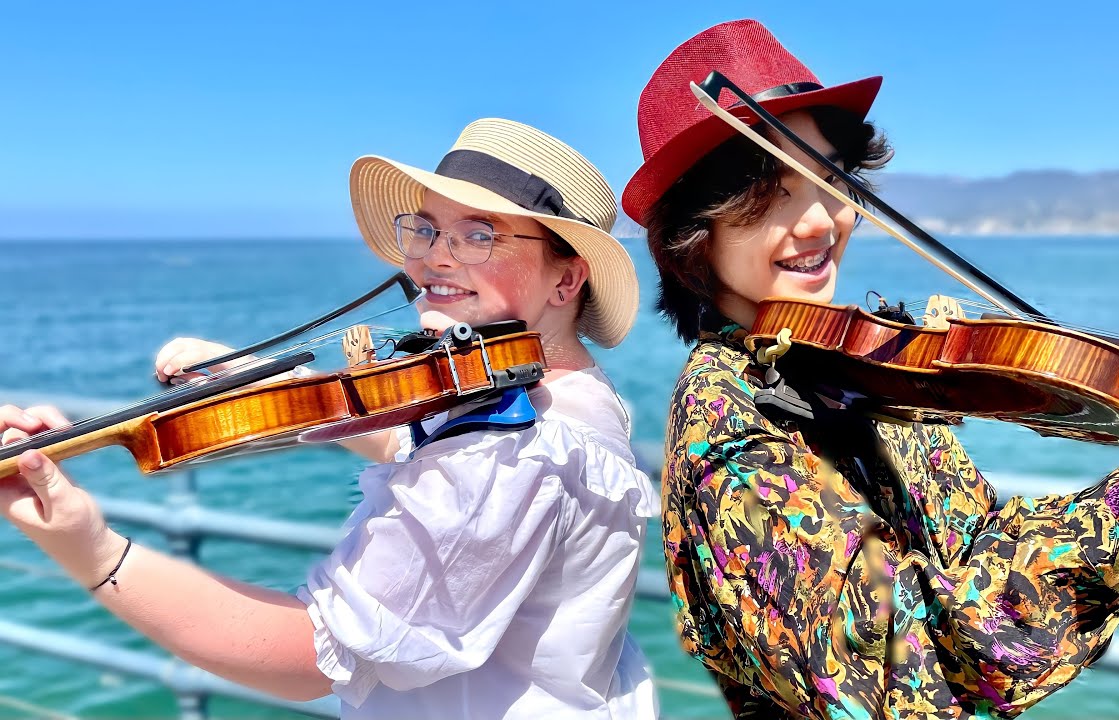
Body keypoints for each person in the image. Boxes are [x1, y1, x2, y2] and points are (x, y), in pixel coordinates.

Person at [625, 19, 1119, 719]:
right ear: (696, 233)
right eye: (769, 193)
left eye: (826, 179)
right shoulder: (725, 428)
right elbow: (915, 673)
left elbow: (978, 548)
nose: (819, 220)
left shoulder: (859, 374)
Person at [0, 118, 659, 719]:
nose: (435, 256)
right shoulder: (555, 395)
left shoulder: (515, 450)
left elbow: (311, 656)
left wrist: (88, 548)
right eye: (426, 227)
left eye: (478, 234)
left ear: (566, 282)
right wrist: (264, 378)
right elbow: (409, 435)